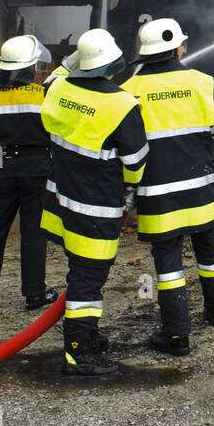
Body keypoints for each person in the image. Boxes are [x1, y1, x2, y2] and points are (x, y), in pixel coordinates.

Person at [40, 28, 149, 377]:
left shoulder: (58, 88)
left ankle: (86, 336)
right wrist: (130, 191)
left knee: (79, 270)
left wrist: (77, 57)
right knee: (88, 279)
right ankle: (79, 353)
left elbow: (59, 71)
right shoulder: (122, 104)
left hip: (61, 199)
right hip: (96, 208)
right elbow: (135, 161)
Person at [121, 18, 214, 356]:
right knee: (209, 250)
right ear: (177, 48)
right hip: (201, 187)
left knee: (168, 261)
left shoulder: (128, 91)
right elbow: (212, 128)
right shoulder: (201, 81)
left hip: (156, 192)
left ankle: (177, 336)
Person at [0, 35, 58, 311]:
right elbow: (56, 133)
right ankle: (34, 294)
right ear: (30, 68)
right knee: (33, 233)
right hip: (36, 172)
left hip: (1, 172)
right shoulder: (43, 96)